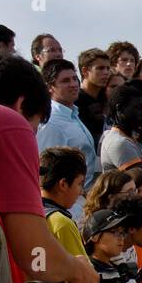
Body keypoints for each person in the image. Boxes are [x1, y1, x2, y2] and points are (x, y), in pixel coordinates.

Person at [0, 55, 99, 283]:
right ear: (22, 105)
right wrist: (77, 271)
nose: (33, 136)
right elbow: (35, 255)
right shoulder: (9, 123)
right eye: (35, 127)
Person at [35, 59, 98, 217]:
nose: (73, 84)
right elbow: (47, 172)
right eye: (65, 81)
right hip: (67, 207)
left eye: (75, 79)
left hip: (83, 201)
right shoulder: (51, 122)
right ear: (49, 87)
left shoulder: (72, 114)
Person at [39, 147, 89, 260]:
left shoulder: (29, 214)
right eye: (79, 183)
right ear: (63, 184)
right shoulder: (62, 223)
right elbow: (82, 269)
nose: (81, 191)